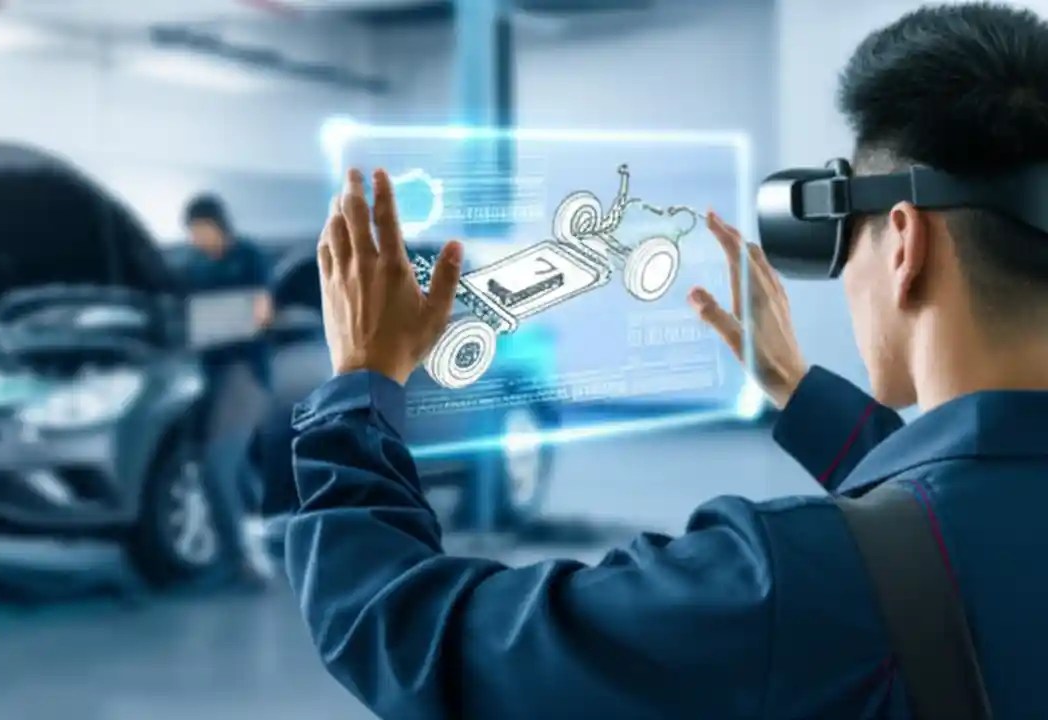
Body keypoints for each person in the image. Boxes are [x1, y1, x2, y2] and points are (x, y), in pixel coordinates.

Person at [283, 4, 1048, 717]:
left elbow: (420, 638)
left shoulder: (789, 585)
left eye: (854, 236)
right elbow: (968, 514)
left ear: (905, 244)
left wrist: (362, 383)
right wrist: (798, 391)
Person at [180, 194, 276, 585]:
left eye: (198, 230)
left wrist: (212, 326)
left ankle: (236, 559)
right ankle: (256, 549)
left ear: (216, 224)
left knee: (218, 467)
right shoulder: (195, 268)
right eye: (190, 233)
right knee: (235, 472)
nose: (194, 238)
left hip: (245, 374)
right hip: (210, 376)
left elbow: (262, 313)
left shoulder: (249, 257)